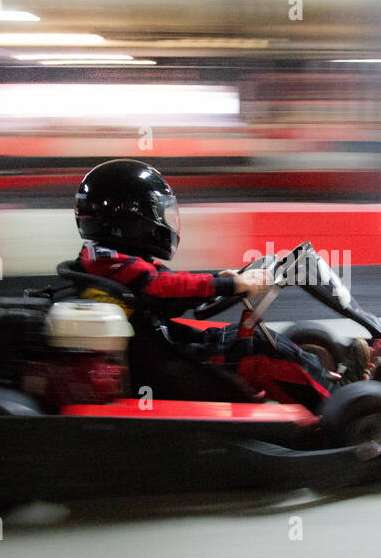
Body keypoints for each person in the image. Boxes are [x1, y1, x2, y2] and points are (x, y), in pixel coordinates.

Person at [72, 158, 339, 409]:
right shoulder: (112, 263)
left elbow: (165, 293)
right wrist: (228, 285)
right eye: (157, 213)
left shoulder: (103, 257)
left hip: (164, 347)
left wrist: (222, 281)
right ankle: (340, 404)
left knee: (256, 339)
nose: (164, 221)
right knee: (260, 352)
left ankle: (325, 378)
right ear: (130, 218)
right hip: (169, 366)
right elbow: (161, 289)